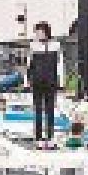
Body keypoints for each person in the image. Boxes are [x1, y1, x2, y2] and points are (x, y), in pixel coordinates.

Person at [27, 21, 60, 150]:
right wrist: (27, 80)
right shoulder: (33, 46)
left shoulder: (55, 45)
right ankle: (39, 138)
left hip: (51, 81)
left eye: (39, 31)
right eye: (36, 32)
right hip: (37, 81)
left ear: (46, 32)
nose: (37, 34)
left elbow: (59, 64)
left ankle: (50, 138)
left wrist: (60, 82)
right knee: (38, 110)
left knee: (50, 110)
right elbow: (29, 65)